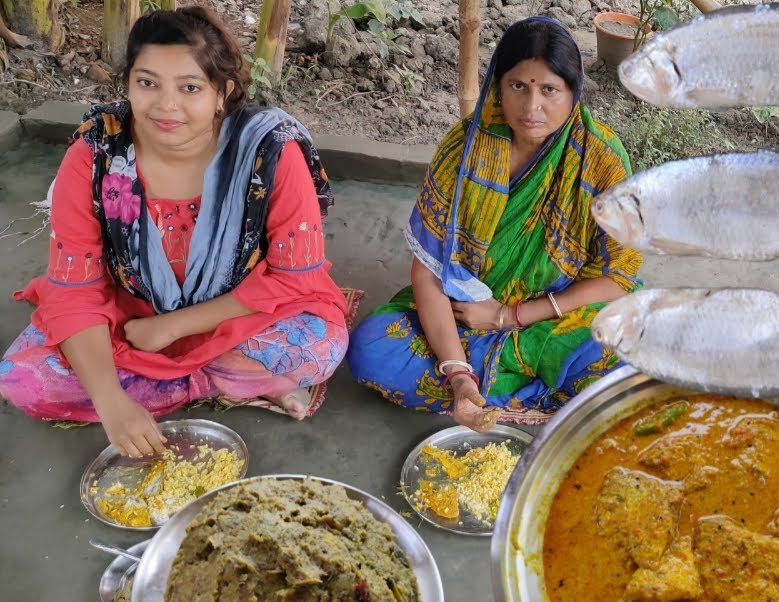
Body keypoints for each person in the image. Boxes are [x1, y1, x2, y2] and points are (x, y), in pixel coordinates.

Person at [0, 8, 350, 457]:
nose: (166, 106)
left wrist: (172, 327)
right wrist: (110, 402)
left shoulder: (269, 152)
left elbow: (293, 277)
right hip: (130, 315)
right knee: (23, 380)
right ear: (127, 84)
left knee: (319, 344)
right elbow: (74, 292)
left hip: (240, 313)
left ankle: (182, 379)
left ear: (221, 93)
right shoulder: (96, 155)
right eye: (147, 83)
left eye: (189, 88)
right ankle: (234, 380)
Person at [347, 16, 642, 431]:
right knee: (371, 351)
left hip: (555, 313)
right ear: (498, 85)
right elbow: (429, 271)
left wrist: (509, 316)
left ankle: (520, 367)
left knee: (626, 346)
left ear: (574, 94)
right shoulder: (465, 149)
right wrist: (459, 375)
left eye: (549, 90)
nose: (531, 107)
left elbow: (618, 276)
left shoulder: (602, 159)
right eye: (518, 86)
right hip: (464, 312)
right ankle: (510, 379)